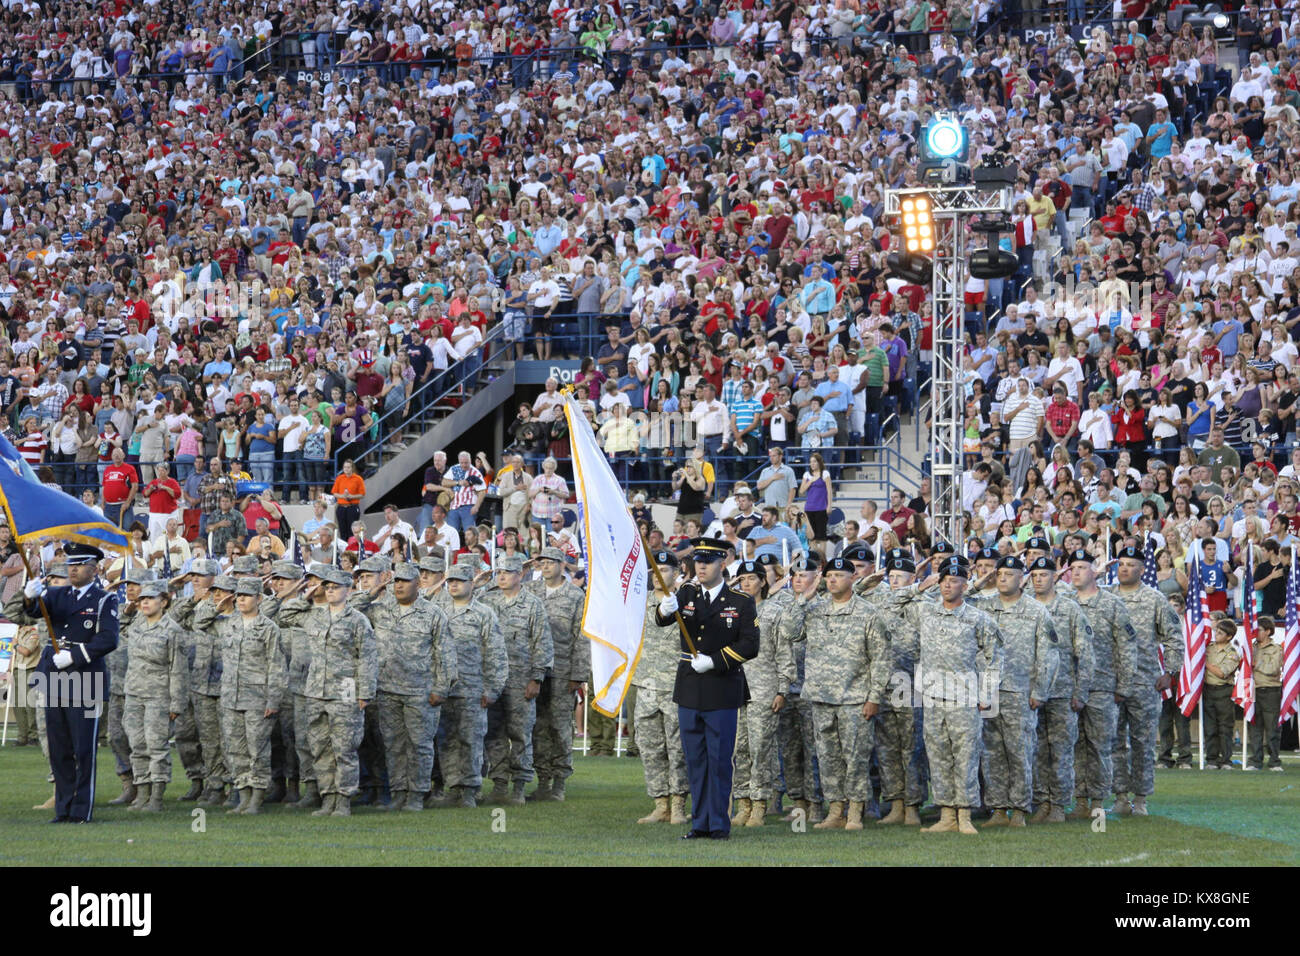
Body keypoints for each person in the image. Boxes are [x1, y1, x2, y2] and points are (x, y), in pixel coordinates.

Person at [885, 555, 1003, 835]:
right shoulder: (926, 611)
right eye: (944, 581)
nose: (948, 585)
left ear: (965, 585)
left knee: (966, 757)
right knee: (938, 758)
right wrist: (917, 587)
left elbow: (995, 656)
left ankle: (965, 815)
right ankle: (946, 815)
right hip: (933, 698)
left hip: (964, 699)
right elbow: (890, 604)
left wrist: (987, 693)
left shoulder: (977, 618)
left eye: (954, 581)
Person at [654, 537, 759, 840]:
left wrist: (714, 661)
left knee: (719, 759)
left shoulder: (740, 601)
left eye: (708, 562)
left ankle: (718, 824)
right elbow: (662, 621)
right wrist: (664, 608)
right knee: (695, 759)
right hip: (689, 687)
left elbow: (750, 645)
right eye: (697, 561)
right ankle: (699, 823)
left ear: (722, 563)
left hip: (722, 688)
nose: (700, 566)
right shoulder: (686, 593)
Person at [22, 542, 119, 822]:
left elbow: (108, 638)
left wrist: (75, 656)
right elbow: (33, 612)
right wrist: (30, 597)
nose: (73, 569)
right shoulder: (56, 594)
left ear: (94, 567)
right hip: (54, 677)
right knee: (59, 748)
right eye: (70, 565)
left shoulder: (104, 599)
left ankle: (81, 810)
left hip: (84, 679)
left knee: (83, 748)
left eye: (79, 565)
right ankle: (62, 808)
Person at [350, 561, 457, 812]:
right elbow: (350, 609)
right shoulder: (380, 609)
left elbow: (446, 654)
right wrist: (374, 590)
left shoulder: (433, 614)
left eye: (404, 581)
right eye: (396, 581)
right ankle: (398, 793)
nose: (399, 585)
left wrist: (441, 688)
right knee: (394, 744)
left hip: (420, 691)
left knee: (419, 745)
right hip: (387, 689)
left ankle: (417, 794)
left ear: (418, 584)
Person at [792, 556, 888, 831]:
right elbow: (789, 631)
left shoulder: (868, 613)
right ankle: (835, 810)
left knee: (856, 757)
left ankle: (856, 811)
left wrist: (874, 697)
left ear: (852, 578)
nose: (832, 580)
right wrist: (804, 597)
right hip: (822, 697)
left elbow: (880, 659)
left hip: (855, 698)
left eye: (839, 575)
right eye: (829, 575)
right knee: (827, 758)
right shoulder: (814, 610)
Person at [275, 565, 377, 817]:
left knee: (344, 747)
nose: (330, 592)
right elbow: (284, 615)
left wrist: (365, 693)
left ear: (348, 590)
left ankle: (343, 799)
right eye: (327, 587)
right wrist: (308, 594)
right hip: (316, 690)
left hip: (345, 690)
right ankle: (327, 797)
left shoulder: (357, 621)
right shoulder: (315, 615)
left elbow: (366, 658)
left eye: (335, 588)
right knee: (320, 747)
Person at [1110, 545, 1183, 815]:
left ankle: (1140, 799)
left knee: (1142, 743)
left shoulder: (1154, 599)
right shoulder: (1106, 596)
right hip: (1112, 682)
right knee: (1114, 743)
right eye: (1121, 564)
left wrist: (1170, 672)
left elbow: (1174, 637)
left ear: (1142, 570)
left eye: (1130, 564)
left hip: (1144, 681)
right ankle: (1119, 797)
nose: (1124, 568)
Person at [730, 558, 800, 827]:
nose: (746, 583)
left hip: (764, 688)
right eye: (742, 579)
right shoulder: (730, 611)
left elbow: (784, 653)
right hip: (734, 687)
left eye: (751, 578)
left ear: (762, 581)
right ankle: (743, 802)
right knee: (740, 749)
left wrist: (783, 688)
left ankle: (760, 804)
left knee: (761, 749)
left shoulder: (773, 612)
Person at [480, 553, 553, 805]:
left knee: (521, 733)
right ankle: (499, 783)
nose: (501, 576)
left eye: (507, 572)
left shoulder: (532, 604)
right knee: (494, 732)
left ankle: (520, 785)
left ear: (520, 575)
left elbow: (541, 642)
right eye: (499, 572)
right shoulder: (487, 600)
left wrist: (537, 677)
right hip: (492, 679)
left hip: (520, 679)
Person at [434, 563, 507, 808]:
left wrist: (493, 688)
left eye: (459, 581)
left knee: (471, 740)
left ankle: (470, 789)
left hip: (472, 689)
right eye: (450, 581)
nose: (453, 585)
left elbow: (496, 653)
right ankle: (453, 787)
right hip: (445, 690)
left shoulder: (483, 614)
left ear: (471, 584)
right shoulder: (438, 611)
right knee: (447, 740)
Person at [1028, 556, 1095, 823]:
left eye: (1044, 574)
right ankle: (1041, 802)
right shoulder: (1026, 608)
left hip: (1062, 691)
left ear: (1055, 577)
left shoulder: (1070, 609)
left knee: (1062, 752)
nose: (1039, 579)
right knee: (1036, 751)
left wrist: (1081, 692)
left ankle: (1058, 805)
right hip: (1032, 692)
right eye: (1034, 575)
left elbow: (1085, 653)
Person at [214, 577, 287, 814]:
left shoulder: (268, 628)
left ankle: (256, 797)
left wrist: (273, 700)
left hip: (257, 698)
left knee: (258, 750)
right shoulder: (228, 624)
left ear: (259, 598)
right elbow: (200, 622)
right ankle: (243, 795)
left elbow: (276, 666)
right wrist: (219, 603)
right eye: (238, 595)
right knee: (236, 749)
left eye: (247, 595)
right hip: (231, 697)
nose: (241, 599)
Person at [525, 547, 590, 802]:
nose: (546, 566)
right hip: (533, 670)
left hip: (563, 670)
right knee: (538, 727)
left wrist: (579, 673)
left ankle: (559, 783)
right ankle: (543, 781)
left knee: (560, 727)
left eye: (552, 562)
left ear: (563, 565)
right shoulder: (531, 591)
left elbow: (581, 637)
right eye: (542, 562)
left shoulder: (575, 596)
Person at [631, 549, 691, 824]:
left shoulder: (686, 602)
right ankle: (660, 803)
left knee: (677, 748)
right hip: (645, 684)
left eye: (664, 570)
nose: (658, 575)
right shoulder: (636, 602)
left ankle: (679, 804)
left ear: (677, 574)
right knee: (650, 747)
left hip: (675, 685)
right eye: (654, 570)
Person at [1247, 616, 1285, 771]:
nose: (1256, 632)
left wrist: (1256, 664)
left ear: (1268, 631)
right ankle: (1255, 761)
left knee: (1272, 729)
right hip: (1253, 691)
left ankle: (1274, 761)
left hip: (1270, 691)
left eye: (1260, 630)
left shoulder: (1276, 649)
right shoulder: (1250, 647)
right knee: (1254, 728)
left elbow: (1273, 669)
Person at [1203, 617, 1240, 769]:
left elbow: (1221, 673)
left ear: (1229, 636)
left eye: (1220, 633)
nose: (1216, 634)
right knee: (1210, 727)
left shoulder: (1232, 653)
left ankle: (1225, 760)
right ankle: (1211, 759)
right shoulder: (1208, 648)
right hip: (1208, 689)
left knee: (1225, 727)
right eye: (1216, 631)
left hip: (1223, 691)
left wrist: (1203, 662)